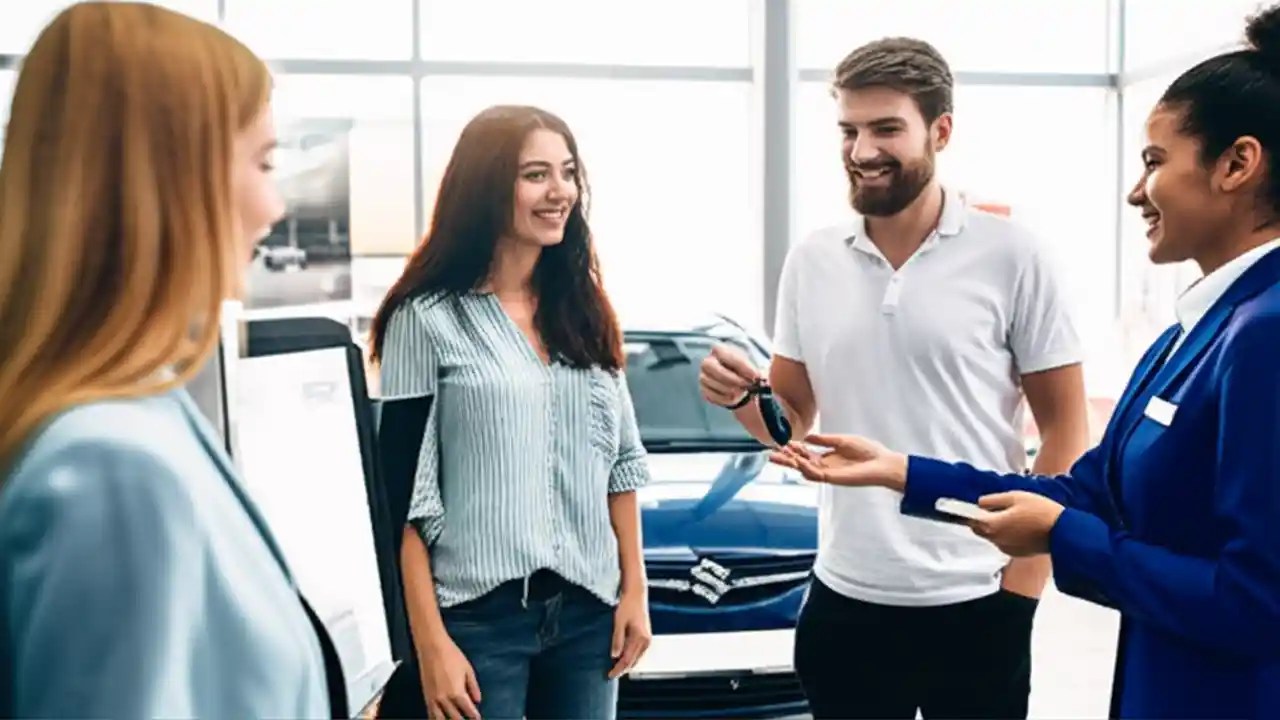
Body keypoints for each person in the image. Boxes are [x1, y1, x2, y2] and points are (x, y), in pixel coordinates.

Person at [769, 6, 1280, 719]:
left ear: (1237, 164)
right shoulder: (1191, 332)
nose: (1137, 190)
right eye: (848, 130)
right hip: (866, 594)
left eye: (1155, 161)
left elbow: (1258, 600)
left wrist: (1040, 561)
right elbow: (1095, 488)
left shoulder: (1264, 332)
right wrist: (899, 471)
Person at [699, 37, 1089, 719]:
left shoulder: (1016, 256)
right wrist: (743, 397)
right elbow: (793, 419)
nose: (861, 150)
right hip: (844, 598)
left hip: (977, 601)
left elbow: (1066, 428)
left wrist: (1021, 587)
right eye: (849, 130)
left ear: (941, 131)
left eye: (886, 129)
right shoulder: (813, 260)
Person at [0, 3, 346, 718]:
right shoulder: (112, 466)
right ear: (170, 179)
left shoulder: (134, 419)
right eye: (263, 162)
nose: (274, 206)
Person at [366, 104, 652, 720]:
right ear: (486, 188)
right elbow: (405, 499)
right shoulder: (425, 317)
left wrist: (636, 591)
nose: (560, 193)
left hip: (588, 615)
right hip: (476, 620)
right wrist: (429, 644)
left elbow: (621, 466)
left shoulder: (585, 309)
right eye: (535, 175)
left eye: (568, 172)